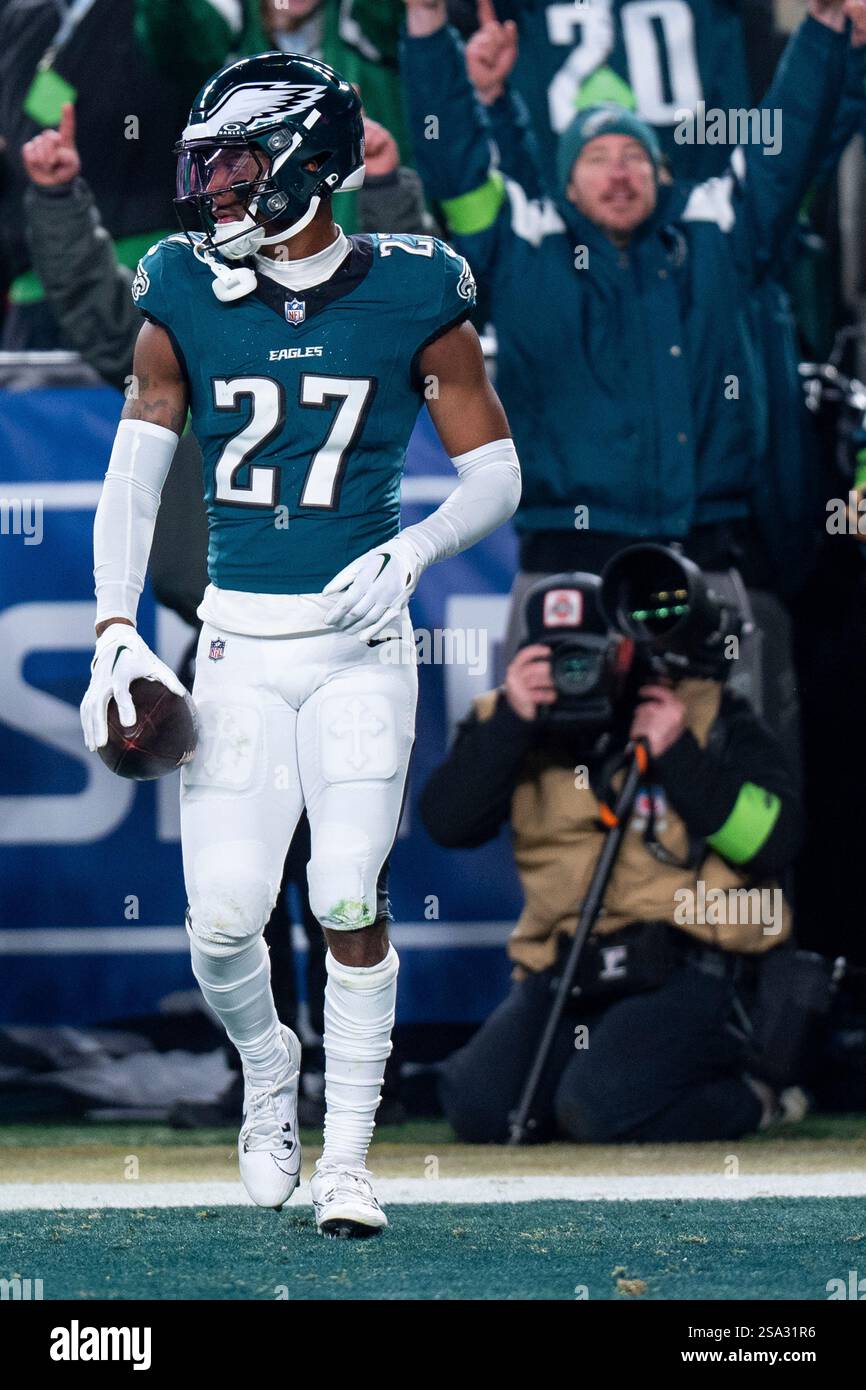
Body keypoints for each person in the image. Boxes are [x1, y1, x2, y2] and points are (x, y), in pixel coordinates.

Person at [78, 52, 521, 1236]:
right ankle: (269, 1067)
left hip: (358, 647)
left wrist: (417, 550)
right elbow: (134, 473)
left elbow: (493, 474)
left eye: (234, 166)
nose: (213, 192)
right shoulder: (178, 287)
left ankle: (349, 1159)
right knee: (224, 915)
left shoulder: (416, 285)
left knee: (342, 890)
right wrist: (114, 626)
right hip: (235, 642)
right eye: (208, 168)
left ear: (308, 165)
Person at [419, 570, 804, 1143]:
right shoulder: (509, 719)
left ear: (627, 648)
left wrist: (678, 756)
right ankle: (602, 1070)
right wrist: (511, 724)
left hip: (690, 963)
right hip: (570, 969)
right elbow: (448, 825)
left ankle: (757, 1097)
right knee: (482, 1109)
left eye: (590, 654)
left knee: (598, 1110)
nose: (574, 671)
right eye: (553, 657)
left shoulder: (698, 709)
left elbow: (775, 840)